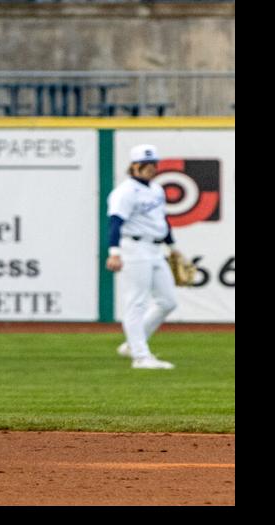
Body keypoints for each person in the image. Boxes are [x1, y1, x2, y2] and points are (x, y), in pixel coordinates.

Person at [105, 144, 179, 370]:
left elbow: (162, 220)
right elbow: (115, 223)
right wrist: (114, 253)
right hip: (134, 248)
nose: (150, 168)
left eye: (153, 164)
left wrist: (173, 247)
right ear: (134, 166)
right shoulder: (124, 192)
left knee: (168, 301)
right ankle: (141, 357)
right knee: (136, 302)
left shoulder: (157, 189)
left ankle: (132, 344)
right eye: (145, 165)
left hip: (155, 249)